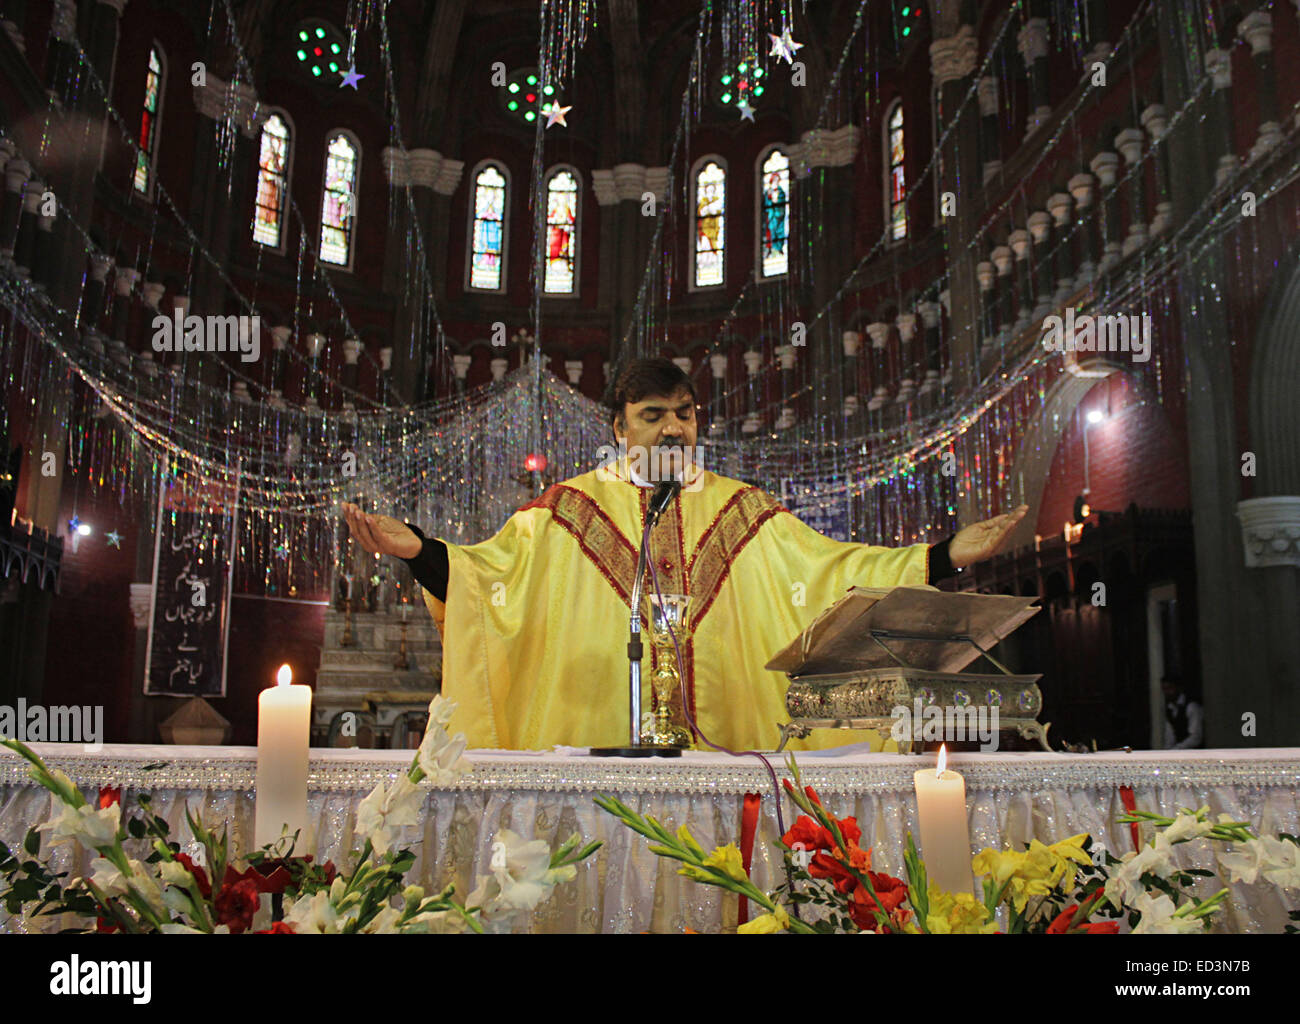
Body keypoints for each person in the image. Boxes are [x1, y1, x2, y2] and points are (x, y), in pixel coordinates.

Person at [342, 357, 1026, 751]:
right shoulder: (565, 511)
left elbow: (834, 573)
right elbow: (492, 581)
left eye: (687, 412)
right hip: (601, 750)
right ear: (618, 426)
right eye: (654, 414)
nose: (675, 425)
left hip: (729, 756)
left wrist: (941, 557)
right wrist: (422, 552)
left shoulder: (745, 511)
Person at [1162, 676, 1204, 749]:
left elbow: (1195, 737)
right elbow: (1169, 736)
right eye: (1164, 689)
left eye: (1170, 688)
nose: (1167, 692)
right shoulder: (1169, 709)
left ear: (1178, 688)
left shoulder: (1192, 707)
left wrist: (1176, 749)